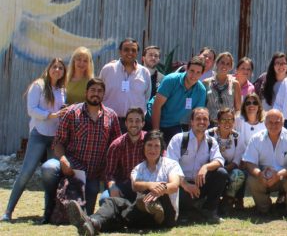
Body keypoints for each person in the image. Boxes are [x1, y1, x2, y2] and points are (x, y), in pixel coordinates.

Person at [65, 131, 183, 235]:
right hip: (143, 214)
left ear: (162, 149)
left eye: (156, 146)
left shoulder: (170, 164)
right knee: (114, 203)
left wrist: (160, 189)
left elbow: (174, 185)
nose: (152, 149)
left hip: (166, 215)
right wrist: (151, 185)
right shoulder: (138, 168)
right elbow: (135, 185)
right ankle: (93, 223)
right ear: (144, 147)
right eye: (149, 145)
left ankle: (154, 208)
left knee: (148, 193)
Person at [41, 78, 121, 219]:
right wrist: (63, 159)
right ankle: (50, 207)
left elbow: (116, 146)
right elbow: (58, 142)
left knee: (86, 213)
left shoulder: (111, 116)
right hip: (72, 168)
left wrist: (108, 172)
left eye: (99, 91)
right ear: (86, 92)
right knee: (49, 168)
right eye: (92, 90)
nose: (96, 93)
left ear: (104, 94)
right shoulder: (72, 112)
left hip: (93, 173)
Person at [2, 58, 67, 222]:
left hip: (55, 137)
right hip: (39, 133)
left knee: (51, 174)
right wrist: (50, 115)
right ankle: (8, 211)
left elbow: (61, 111)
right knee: (27, 172)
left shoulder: (62, 90)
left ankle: (48, 214)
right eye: (54, 67)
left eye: (60, 68)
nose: (57, 70)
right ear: (49, 68)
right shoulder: (38, 85)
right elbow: (31, 110)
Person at [166, 107, 227, 223]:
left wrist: (205, 167)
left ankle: (209, 211)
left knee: (221, 173)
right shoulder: (179, 139)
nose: (202, 122)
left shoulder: (211, 141)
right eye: (198, 119)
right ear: (192, 122)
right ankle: (185, 212)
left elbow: (219, 161)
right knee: (181, 196)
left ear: (209, 123)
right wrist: (185, 185)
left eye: (205, 119)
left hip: (200, 184)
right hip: (181, 184)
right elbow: (170, 166)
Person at [243, 109, 287, 219]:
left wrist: (278, 175)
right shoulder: (256, 139)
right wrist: (259, 174)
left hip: (285, 176)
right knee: (252, 179)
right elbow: (249, 163)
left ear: (283, 122)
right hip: (264, 177)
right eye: (270, 122)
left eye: (277, 122)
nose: (273, 125)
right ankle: (264, 209)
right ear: (265, 123)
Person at [148, 56, 207, 143]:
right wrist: (156, 134)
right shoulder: (171, 80)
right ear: (187, 69)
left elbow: (194, 117)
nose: (194, 75)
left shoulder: (201, 90)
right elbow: (156, 106)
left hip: (173, 124)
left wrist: (191, 139)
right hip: (152, 119)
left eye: (198, 72)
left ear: (202, 74)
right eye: (192, 71)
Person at [99, 38, 151, 131]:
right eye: (126, 49)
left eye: (133, 50)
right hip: (109, 122)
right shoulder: (108, 70)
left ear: (137, 53)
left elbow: (146, 97)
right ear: (120, 52)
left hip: (135, 124)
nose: (130, 53)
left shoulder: (144, 72)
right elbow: (99, 92)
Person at [206, 108, 246, 212]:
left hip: (229, 168)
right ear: (218, 122)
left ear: (234, 121)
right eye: (224, 120)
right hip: (210, 169)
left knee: (239, 174)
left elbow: (237, 161)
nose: (227, 123)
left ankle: (228, 200)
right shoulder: (209, 134)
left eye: (230, 119)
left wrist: (224, 169)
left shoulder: (237, 137)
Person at [102, 108, 146, 203]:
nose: (134, 124)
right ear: (125, 123)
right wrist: (113, 187)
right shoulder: (116, 145)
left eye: (137, 121)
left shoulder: (150, 142)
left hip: (145, 185)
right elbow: (109, 173)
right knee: (104, 199)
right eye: (130, 120)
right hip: (123, 186)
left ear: (143, 123)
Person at [203, 52, 241, 124]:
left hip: (227, 124)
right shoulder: (206, 83)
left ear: (231, 67)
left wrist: (233, 122)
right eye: (222, 63)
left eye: (228, 64)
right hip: (210, 123)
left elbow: (238, 109)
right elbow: (202, 106)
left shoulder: (235, 84)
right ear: (217, 64)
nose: (224, 66)